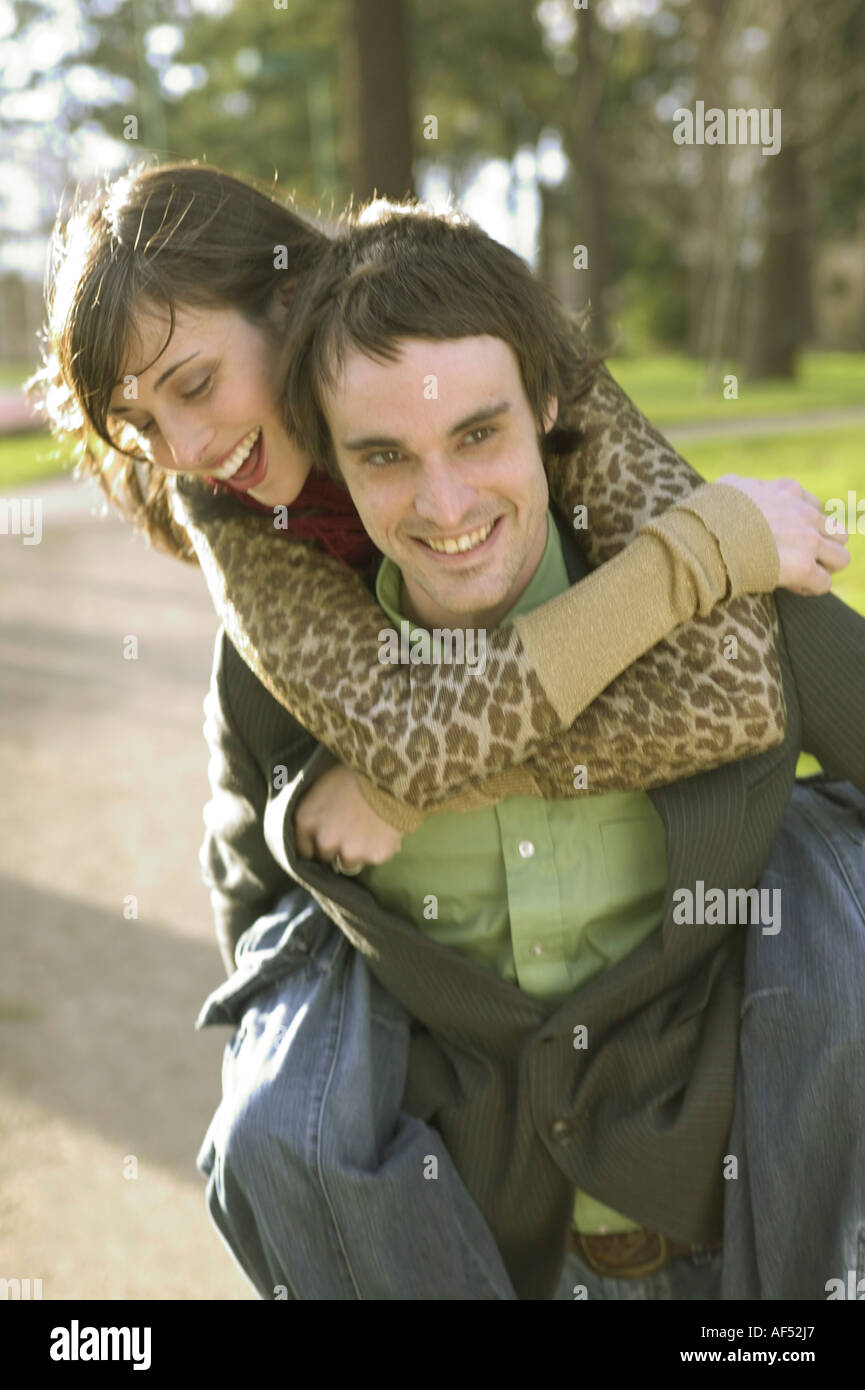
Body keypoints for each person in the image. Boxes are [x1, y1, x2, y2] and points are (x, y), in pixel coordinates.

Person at [32, 164, 859, 1298]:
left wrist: (708, 545)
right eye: (140, 421)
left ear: (286, 300)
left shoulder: (493, 343)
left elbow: (736, 690)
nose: (179, 447)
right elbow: (263, 890)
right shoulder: (248, 549)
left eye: (195, 383)